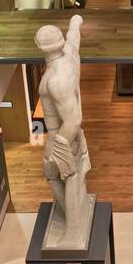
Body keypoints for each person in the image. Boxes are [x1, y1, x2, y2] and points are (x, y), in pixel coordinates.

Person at [34, 15, 93, 247]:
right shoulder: (70, 55)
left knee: (63, 176)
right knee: (67, 176)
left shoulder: (56, 80)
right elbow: (74, 35)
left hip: (63, 133)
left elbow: (73, 119)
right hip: (67, 133)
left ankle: (73, 231)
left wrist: (57, 148)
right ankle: (75, 216)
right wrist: (76, 20)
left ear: (39, 47)